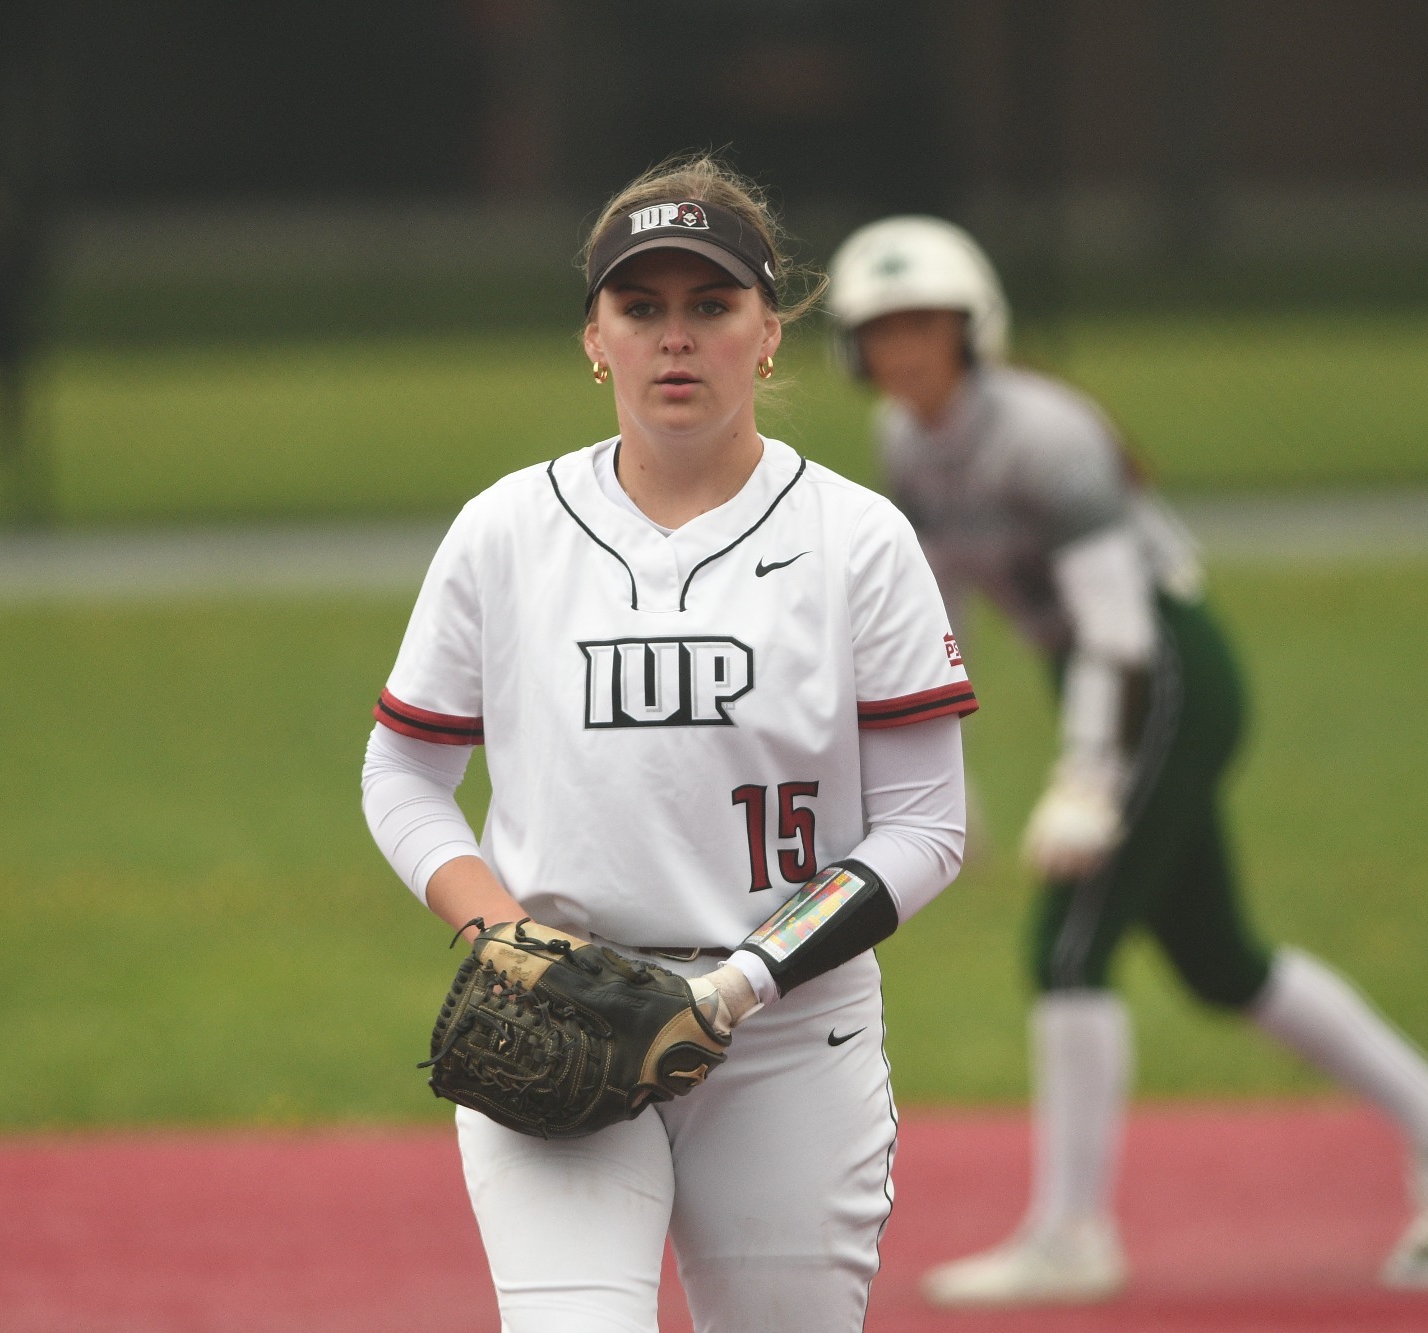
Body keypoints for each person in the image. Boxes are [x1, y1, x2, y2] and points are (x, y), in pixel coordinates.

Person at [825, 215, 1428, 1307]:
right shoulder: (905, 439)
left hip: (1162, 668)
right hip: (1107, 673)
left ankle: (1071, 1234)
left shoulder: (1045, 433)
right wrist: (932, 762)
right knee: (1216, 959)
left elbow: (1119, 627)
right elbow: (934, 605)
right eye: (882, 330)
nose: (903, 349)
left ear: (971, 327)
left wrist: (1088, 774)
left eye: (923, 325)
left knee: (1069, 944)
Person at [360, 156, 976, 1332]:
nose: (675, 337)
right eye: (640, 307)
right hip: (560, 1020)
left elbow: (924, 824)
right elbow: (402, 770)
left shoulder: (857, 540)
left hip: (787, 1038)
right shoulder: (506, 532)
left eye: (712, 303)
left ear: (768, 333)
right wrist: (502, 934)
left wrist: (736, 984)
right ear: (594, 339)